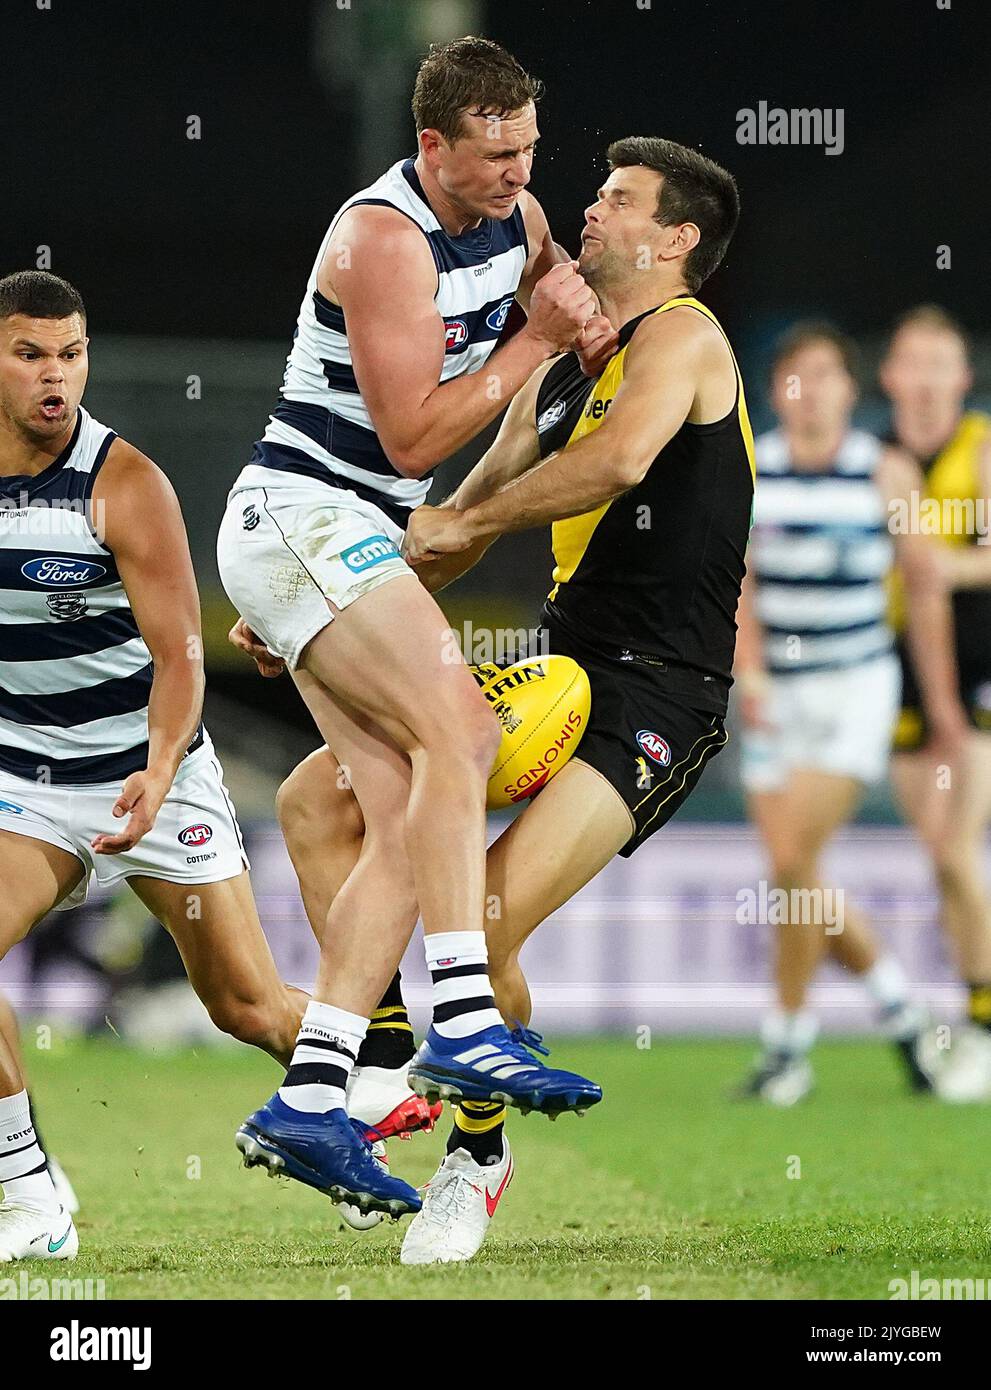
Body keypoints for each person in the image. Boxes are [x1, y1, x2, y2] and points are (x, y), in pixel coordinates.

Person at [234, 135, 752, 1263]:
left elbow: (618, 464)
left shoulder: (686, 338)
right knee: (315, 805)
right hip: (558, 661)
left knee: (490, 913)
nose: (591, 209)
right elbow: (453, 518)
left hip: (658, 694)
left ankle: (475, 1155)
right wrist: (316, 606)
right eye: (598, 194)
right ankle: (374, 1062)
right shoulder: (564, 363)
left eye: (619, 200)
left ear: (676, 240)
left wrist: (463, 524)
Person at [216, 36, 605, 1211]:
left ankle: (315, 1094)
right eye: (493, 154)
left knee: (398, 817)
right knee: (464, 735)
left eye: (528, 147)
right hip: (303, 510)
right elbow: (409, 441)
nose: (516, 172)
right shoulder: (379, 238)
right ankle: (467, 1021)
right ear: (429, 144)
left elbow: (551, 359)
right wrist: (540, 337)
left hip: (345, 542)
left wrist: (582, 328)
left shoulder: (521, 212)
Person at [0, 269, 339, 1265]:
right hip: (27, 785)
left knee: (245, 1005)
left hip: (154, 776)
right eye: (29, 354)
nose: (54, 376)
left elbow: (183, 655)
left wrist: (155, 767)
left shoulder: (124, 485)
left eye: (70, 354)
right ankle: (28, 1193)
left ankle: (393, 1075)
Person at [733, 322, 967, 1105]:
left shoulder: (885, 473)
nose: (811, 392)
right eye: (795, 378)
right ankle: (903, 1016)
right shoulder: (751, 471)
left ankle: (786, 1047)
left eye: (827, 376)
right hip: (776, 695)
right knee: (792, 872)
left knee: (794, 860)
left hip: (856, 687)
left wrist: (938, 707)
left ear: (848, 390)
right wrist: (751, 673)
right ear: (775, 393)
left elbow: (924, 589)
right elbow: (736, 588)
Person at [882, 305, 991, 1101]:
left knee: (957, 850)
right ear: (888, 378)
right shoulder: (875, 459)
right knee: (939, 860)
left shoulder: (980, 450)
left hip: (978, 667)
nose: (922, 381)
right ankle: (972, 1011)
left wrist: (934, 566)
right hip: (898, 670)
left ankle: (984, 1027)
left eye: (938, 365)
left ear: (961, 378)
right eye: (909, 364)